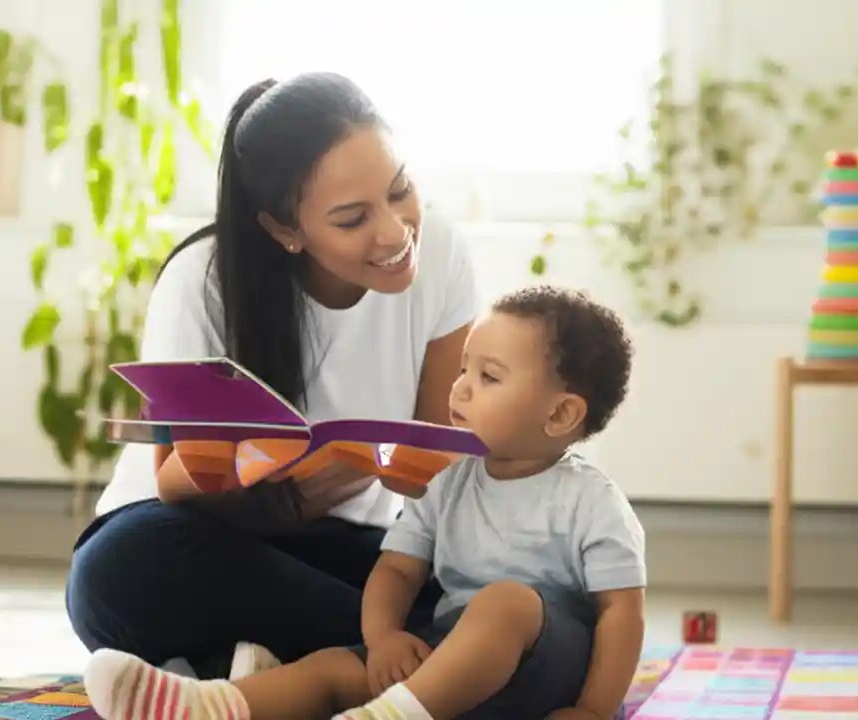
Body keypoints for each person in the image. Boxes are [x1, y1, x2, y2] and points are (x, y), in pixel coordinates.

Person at [65, 72, 479, 680]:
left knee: (510, 592)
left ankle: (273, 670)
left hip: (345, 547)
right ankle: (423, 662)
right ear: (285, 229)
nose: (394, 231)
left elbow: (440, 462)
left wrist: (374, 457)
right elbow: (175, 481)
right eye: (351, 218)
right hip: (196, 537)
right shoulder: (200, 281)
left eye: (400, 190)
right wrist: (286, 479)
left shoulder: (441, 251)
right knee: (116, 569)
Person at [83, 285, 647, 720]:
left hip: (552, 670)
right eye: (464, 369)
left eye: (489, 377)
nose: (461, 388)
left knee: (506, 604)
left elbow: (621, 612)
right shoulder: (448, 483)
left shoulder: (590, 501)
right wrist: (383, 641)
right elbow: (397, 569)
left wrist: (595, 709)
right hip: (453, 668)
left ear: (560, 415)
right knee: (335, 667)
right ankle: (209, 706)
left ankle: (392, 713)